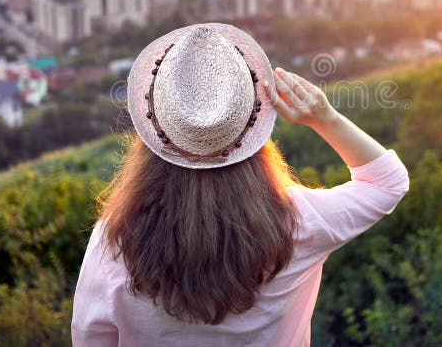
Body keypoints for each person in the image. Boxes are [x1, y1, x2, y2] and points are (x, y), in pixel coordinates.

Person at [71, 23, 410, 346]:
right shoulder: (299, 223)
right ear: (252, 126)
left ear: (154, 132)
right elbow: (387, 183)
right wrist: (326, 118)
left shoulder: (115, 241)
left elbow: (90, 336)